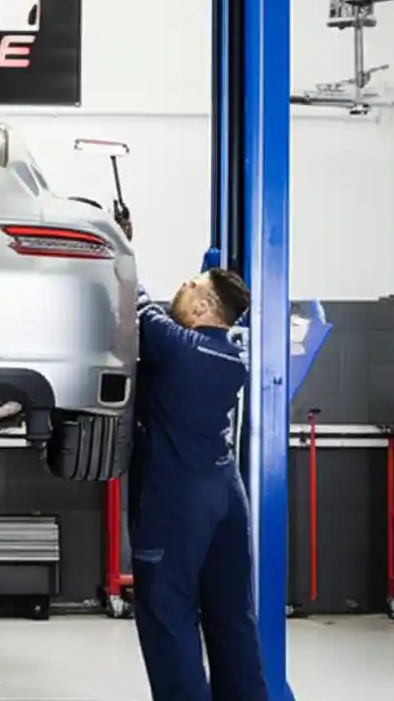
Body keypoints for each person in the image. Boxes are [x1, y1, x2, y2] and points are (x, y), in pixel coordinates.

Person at [130, 266, 267, 701]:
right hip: (225, 495)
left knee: (168, 614)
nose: (183, 285)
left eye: (193, 284)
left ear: (204, 306)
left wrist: (123, 244)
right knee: (232, 617)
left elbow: (135, 300)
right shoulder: (232, 357)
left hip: (178, 496)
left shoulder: (176, 347)